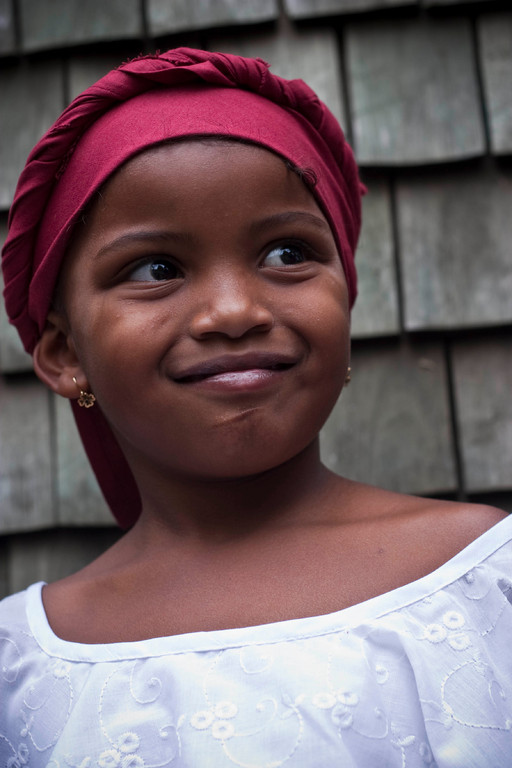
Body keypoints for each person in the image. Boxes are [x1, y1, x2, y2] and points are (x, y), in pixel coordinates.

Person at [0, 48, 510, 767]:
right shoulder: (20, 672)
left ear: (346, 300)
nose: (234, 311)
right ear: (64, 354)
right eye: (156, 269)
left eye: (285, 254)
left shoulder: (489, 583)